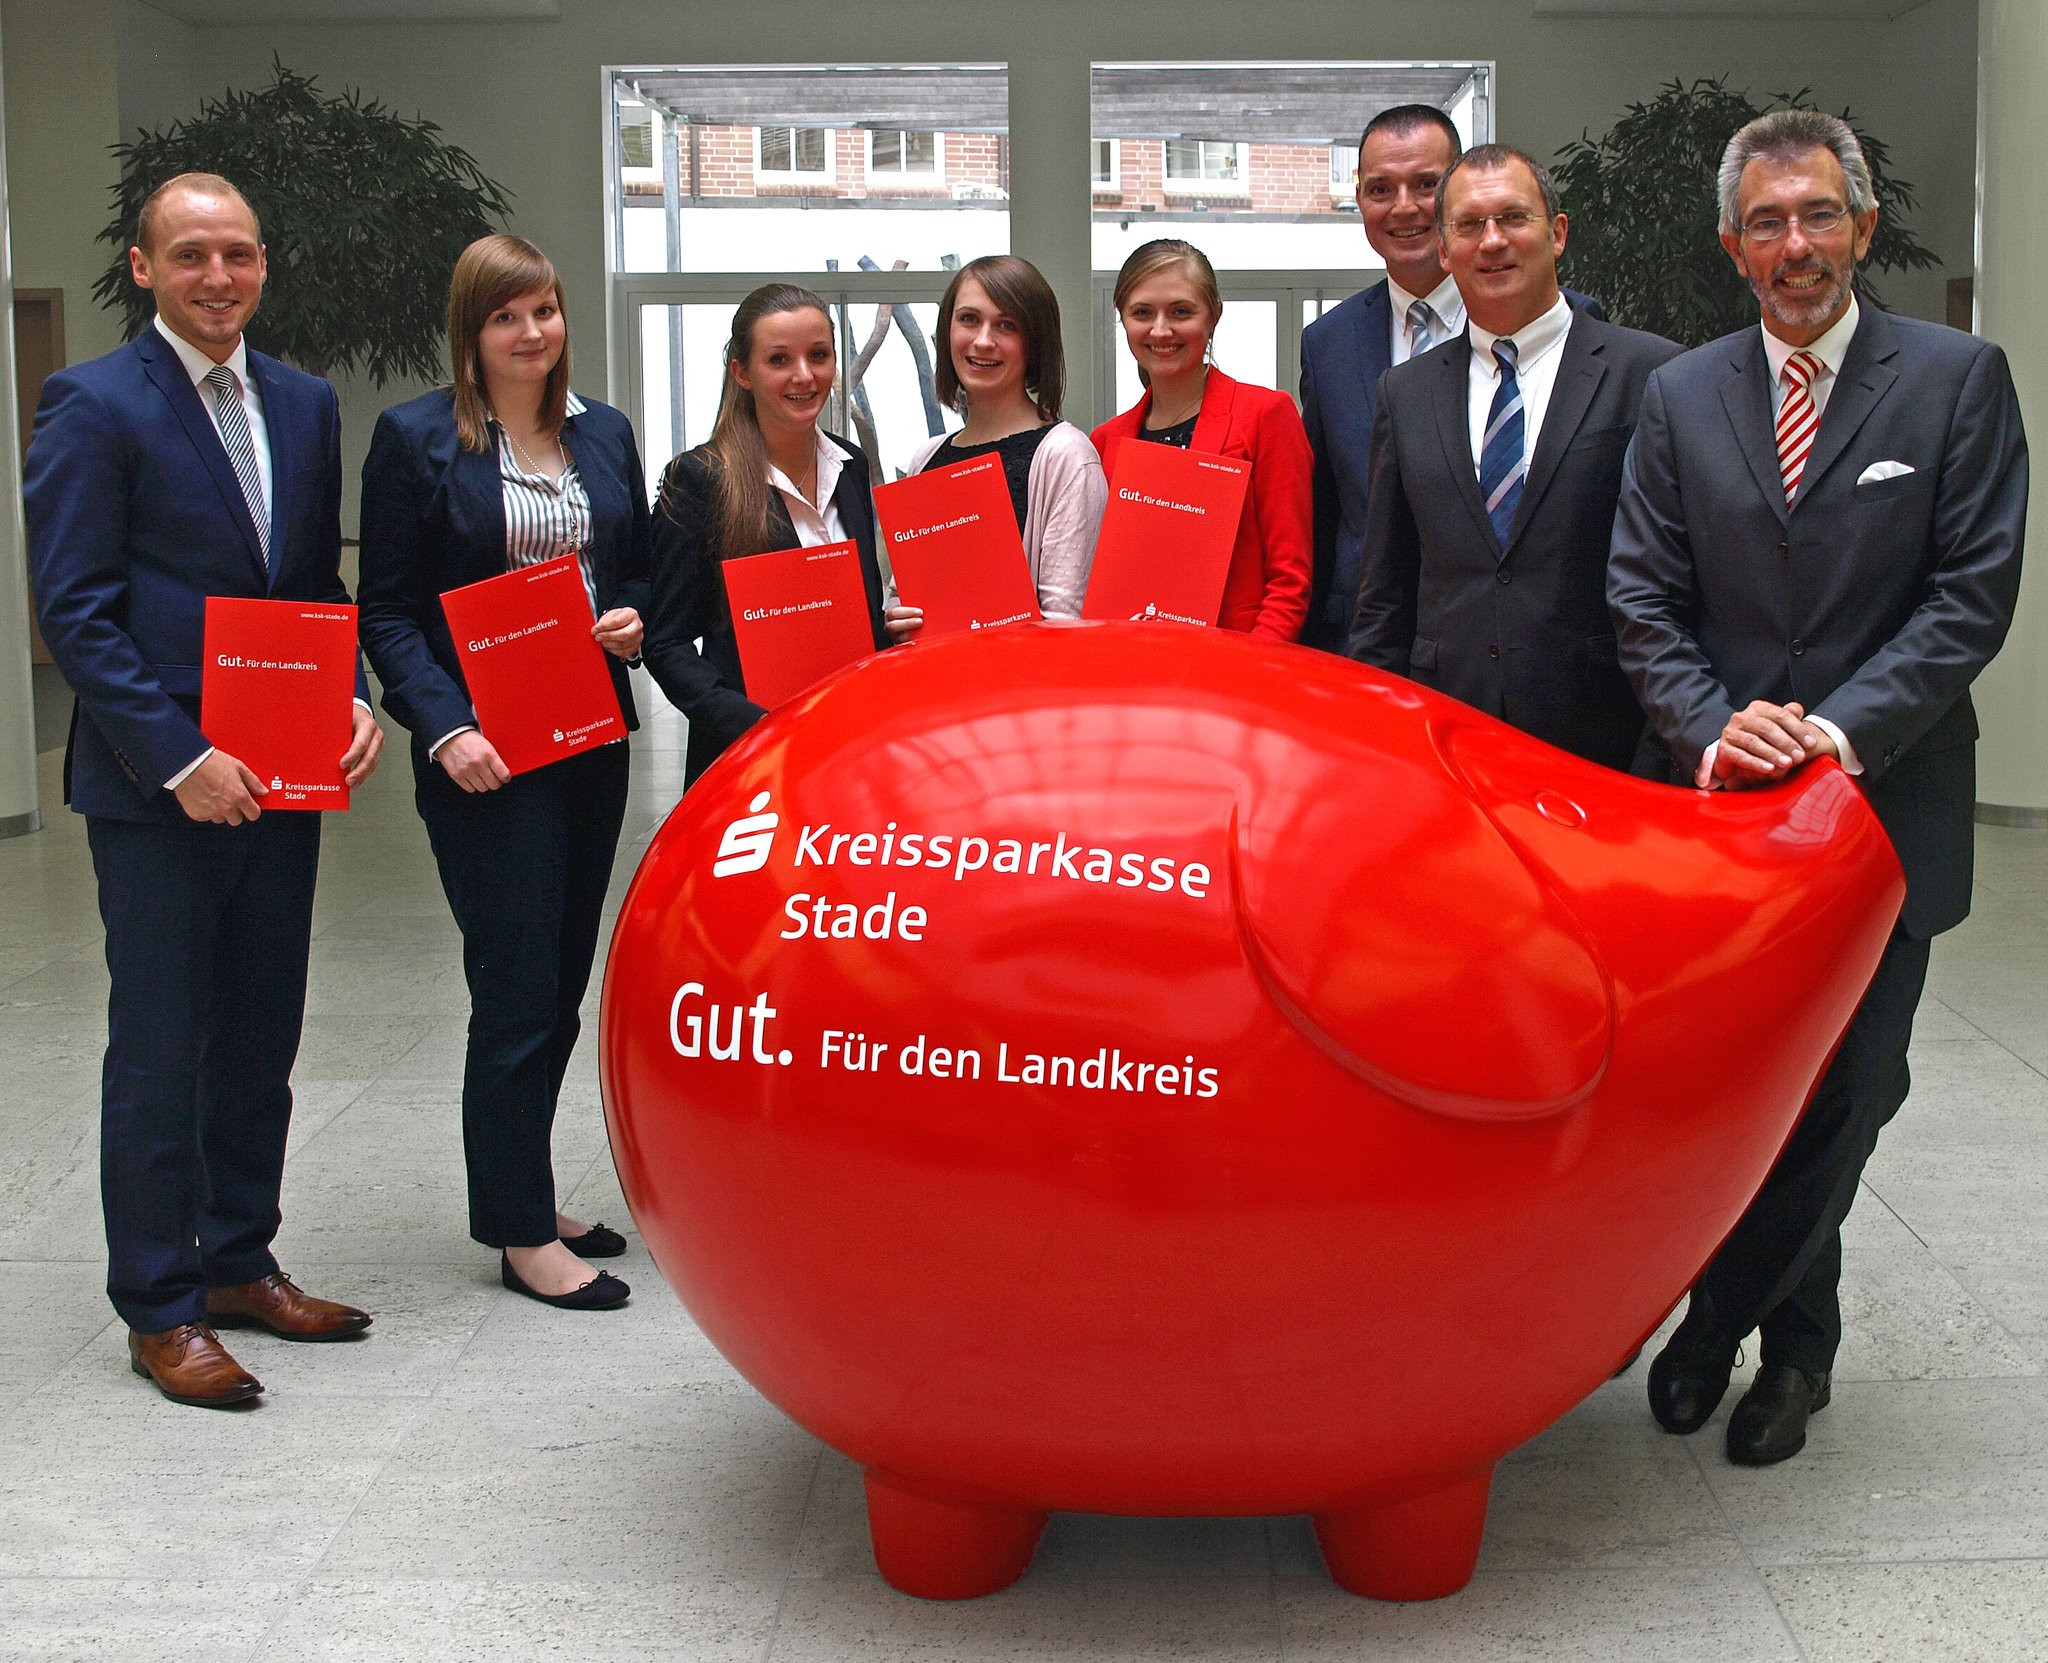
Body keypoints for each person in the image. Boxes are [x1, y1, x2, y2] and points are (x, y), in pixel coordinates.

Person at [1608, 108, 2026, 1463]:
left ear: (1863, 223)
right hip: (1729, 811)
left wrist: (1835, 733)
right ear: (1735, 246)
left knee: (1859, 1086)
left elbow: (1968, 600)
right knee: (1759, 1091)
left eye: (1821, 214)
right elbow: (1644, 596)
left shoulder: (1958, 380)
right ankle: (1800, 1352)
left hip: (1886, 806)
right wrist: (1726, 733)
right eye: (1771, 222)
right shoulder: (1680, 395)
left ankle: (1727, 1318)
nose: (1800, 244)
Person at [22, 172, 383, 1406]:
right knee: (162, 1045)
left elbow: (307, 588)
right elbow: (74, 609)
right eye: (190, 256)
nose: (215, 276)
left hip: (281, 781)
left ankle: (237, 1260)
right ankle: (160, 1303)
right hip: (158, 791)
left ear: (264, 264)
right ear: (144, 267)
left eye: (235, 254)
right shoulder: (91, 402)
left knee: (261, 1035)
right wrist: (178, 757)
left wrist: (346, 697)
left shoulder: (303, 402)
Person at [359, 234, 650, 1311]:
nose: (532, 333)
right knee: (514, 986)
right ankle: (522, 1232)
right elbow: (384, 607)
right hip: (485, 756)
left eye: (545, 312)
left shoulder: (602, 434)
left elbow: (637, 572)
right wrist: (442, 728)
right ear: (471, 333)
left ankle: (524, 1182)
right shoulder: (415, 440)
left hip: (587, 735)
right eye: (506, 316)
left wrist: (632, 614)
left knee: (561, 982)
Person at [1349, 145, 1680, 768]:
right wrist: (1374, 742)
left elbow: (1680, 581)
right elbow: (1385, 592)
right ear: (1445, 250)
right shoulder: (1406, 392)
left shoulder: (1652, 373)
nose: (1492, 241)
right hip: (1445, 736)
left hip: (1604, 737)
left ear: (1556, 233)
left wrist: (1666, 749)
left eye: (1513, 219)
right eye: (1469, 225)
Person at [1300, 105, 1604, 654]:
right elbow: (1325, 516)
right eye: (1380, 189)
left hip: (1539, 652)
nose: (1404, 207)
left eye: (1425, 185)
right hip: (1373, 652)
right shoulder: (1327, 343)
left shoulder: (1584, 330)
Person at [643, 284, 888, 784]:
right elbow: (665, 645)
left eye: (819, 355)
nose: (804, 376)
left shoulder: (851, 466)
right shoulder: (699, 479)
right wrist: (757, 726)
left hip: (852, 743)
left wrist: (888, 632)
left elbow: (855, 615)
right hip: (750, 760)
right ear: (742, 373)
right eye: (779, 359)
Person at [1090, 239, 1311, 640]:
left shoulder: (1265, 416)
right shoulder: (1106, 442)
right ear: (1123, 319)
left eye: (1181, 311)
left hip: (1237, 670)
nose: (1160, 329)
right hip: (1134, 667)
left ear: (1214, 316)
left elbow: (1289, 580)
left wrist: (1250, 672)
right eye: (1142, 313)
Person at [886, 255, 1106, 641]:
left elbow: (1065, 627)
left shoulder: (1067, 456)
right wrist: (896, 622)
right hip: (932, 690)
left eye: (1007, 325)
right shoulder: (926, 458)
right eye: (969, 319)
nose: (983, 340)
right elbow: (900, 595)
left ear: (1034, 342)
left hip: (1018, 696)